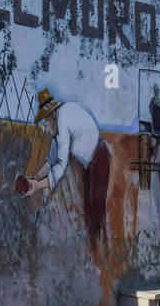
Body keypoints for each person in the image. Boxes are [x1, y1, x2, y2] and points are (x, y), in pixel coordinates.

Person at [17, 87, 111, 249]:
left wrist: (37, 185)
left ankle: (103, 250)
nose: (46, 126)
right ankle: (95, 250)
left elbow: (60, 165)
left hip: (99, 159)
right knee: (89, 211)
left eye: (46, 121)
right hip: (91, 163)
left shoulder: (63, 120)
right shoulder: (62, 118)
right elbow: (51, 159)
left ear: (52, 115)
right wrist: (35, 176)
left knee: (96, 209)